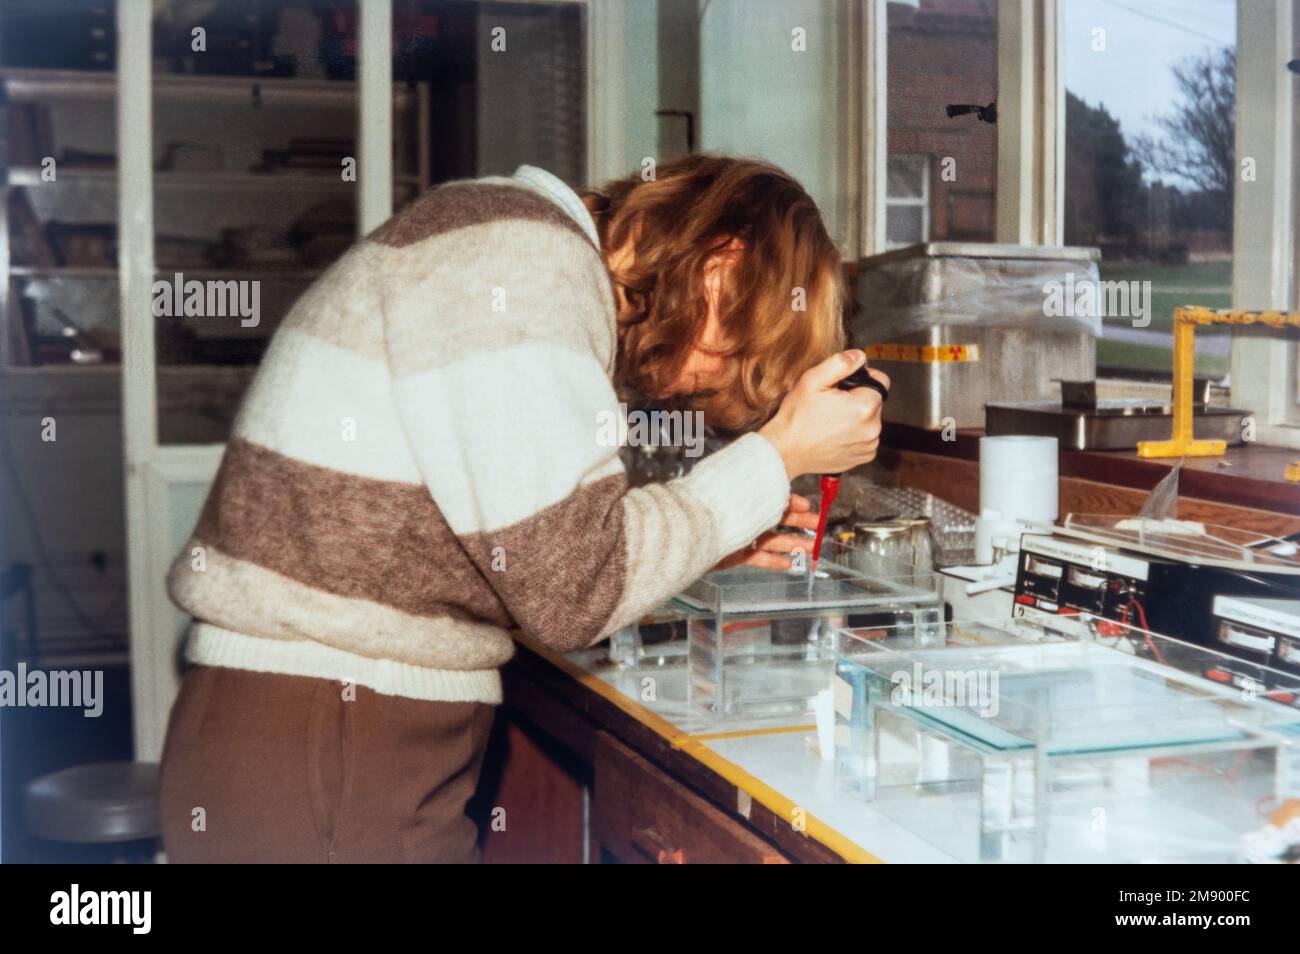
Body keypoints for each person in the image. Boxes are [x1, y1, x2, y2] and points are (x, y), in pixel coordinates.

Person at [158, 155, 889, 862]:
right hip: (334, 737)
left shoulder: (510, 243)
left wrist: (706, 545)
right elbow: (572, 591)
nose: (687, 391)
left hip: (335, 730)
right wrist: (778, 455)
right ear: (721, 268)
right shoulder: (521, 260)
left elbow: (516, 542)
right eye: (728, 360)